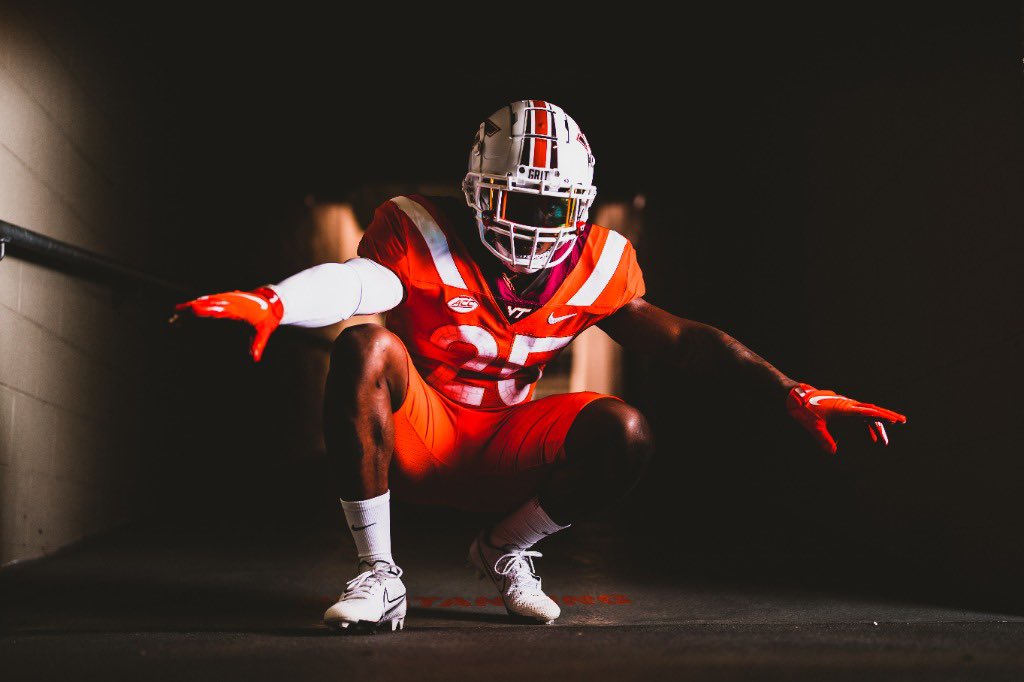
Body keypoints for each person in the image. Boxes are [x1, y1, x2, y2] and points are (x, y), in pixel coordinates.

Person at [172, 100, 906, 632]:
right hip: (420, 433)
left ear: (580, 210)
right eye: (514, 198)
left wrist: (790, 391)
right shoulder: (419, 229)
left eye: (550, 209)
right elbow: (363, 285)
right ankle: (379, 573)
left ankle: (503, 551)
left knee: (626, 430)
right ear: (475, 191)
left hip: (509, 446)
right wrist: (278, 300)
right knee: (364, 346)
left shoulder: (599, 263)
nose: (530, 222)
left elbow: (681, 340)